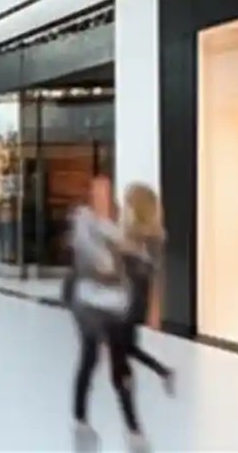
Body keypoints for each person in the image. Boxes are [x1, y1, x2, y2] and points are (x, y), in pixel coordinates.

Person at [69, 176, 144, 449]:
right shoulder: (84, 220)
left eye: (106, 191)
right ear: (91, 195)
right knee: (90, 359)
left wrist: (133, 251)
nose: (102, 196)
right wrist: (111, 257)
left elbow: (131, 250)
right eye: (97, 191)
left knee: (120, 364)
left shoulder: (114, 224)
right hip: (89, 304)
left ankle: (133, 428)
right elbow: (93, 254)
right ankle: (80, 417)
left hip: (115, 305)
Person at [121, 182, 175, 395]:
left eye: (128, 203)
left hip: (132, 297)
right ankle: (162, 372)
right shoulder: (134, 234)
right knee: (126, 346)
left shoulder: (146, 238)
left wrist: (154, 309)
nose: (125, 208)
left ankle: (129, 389)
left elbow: (154, 273)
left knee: (123, 345)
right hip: (128, 294)